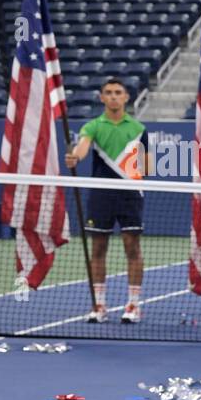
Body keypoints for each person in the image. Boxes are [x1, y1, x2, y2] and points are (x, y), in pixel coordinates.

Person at [65, 78, 153, 323]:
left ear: (126, 98)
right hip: (101, 193)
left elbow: (148, 165)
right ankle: (99, 305)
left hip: (130, 193)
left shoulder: (139, 129)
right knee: (98, 249)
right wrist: (75, 158)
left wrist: (136, 167)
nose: (113, 97)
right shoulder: (93, 126)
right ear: (101, 97)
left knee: (132, 248)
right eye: (108, 93)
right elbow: (82, 148)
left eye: (118, 93)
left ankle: (133, 305)